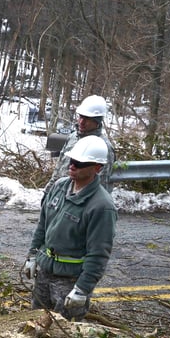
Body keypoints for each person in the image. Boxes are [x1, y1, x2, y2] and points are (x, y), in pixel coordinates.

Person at [23, 135, 117, 321]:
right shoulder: (59, 187)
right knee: (35, 323)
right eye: (72, 160)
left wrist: (82, 289)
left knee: (63, 333)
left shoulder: (101, 206)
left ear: (97, 168)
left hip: (69, 281)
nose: (72, 166)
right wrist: (33, 255)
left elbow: (98, 254)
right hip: (45, 272)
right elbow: (43, 225)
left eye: (80, 163)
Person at [47, 94, 117, 192]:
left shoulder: (103, 147)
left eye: (87, 118)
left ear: (97, 122)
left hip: (80, 202)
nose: (81, 122)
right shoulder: (72, 137)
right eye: (80, 117)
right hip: (60, 198)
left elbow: (101, 186)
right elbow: (59, 169)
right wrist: (48, 192)